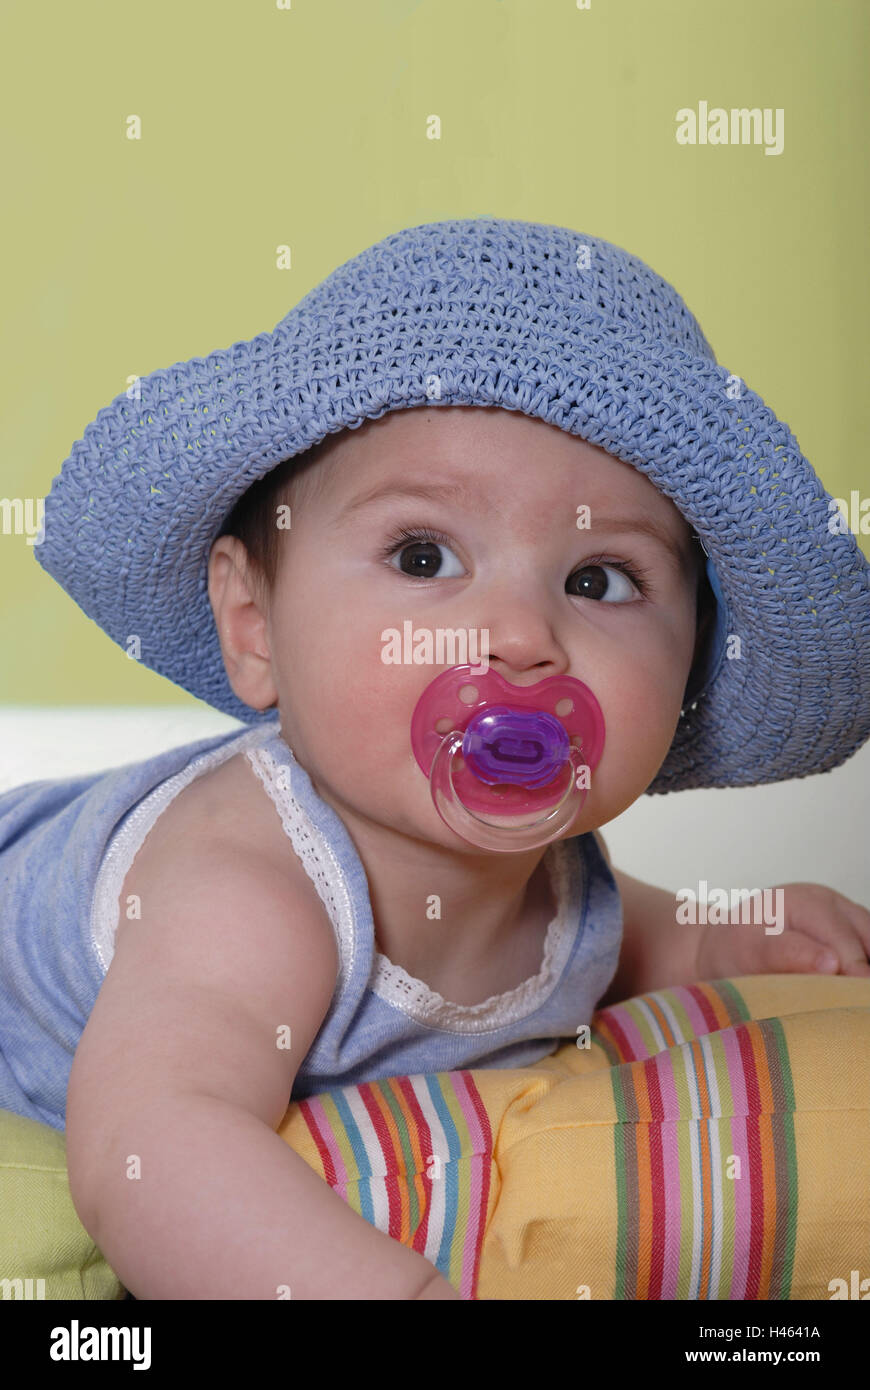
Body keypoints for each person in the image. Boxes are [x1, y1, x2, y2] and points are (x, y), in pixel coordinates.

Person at [2, 217, 869, 1300]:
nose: (519, 634)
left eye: (601, 579)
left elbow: (620, 937)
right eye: (424, 555)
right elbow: (147, 1147)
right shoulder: (250, 896)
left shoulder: (554, 877)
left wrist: (722, 930)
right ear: (255, 623)